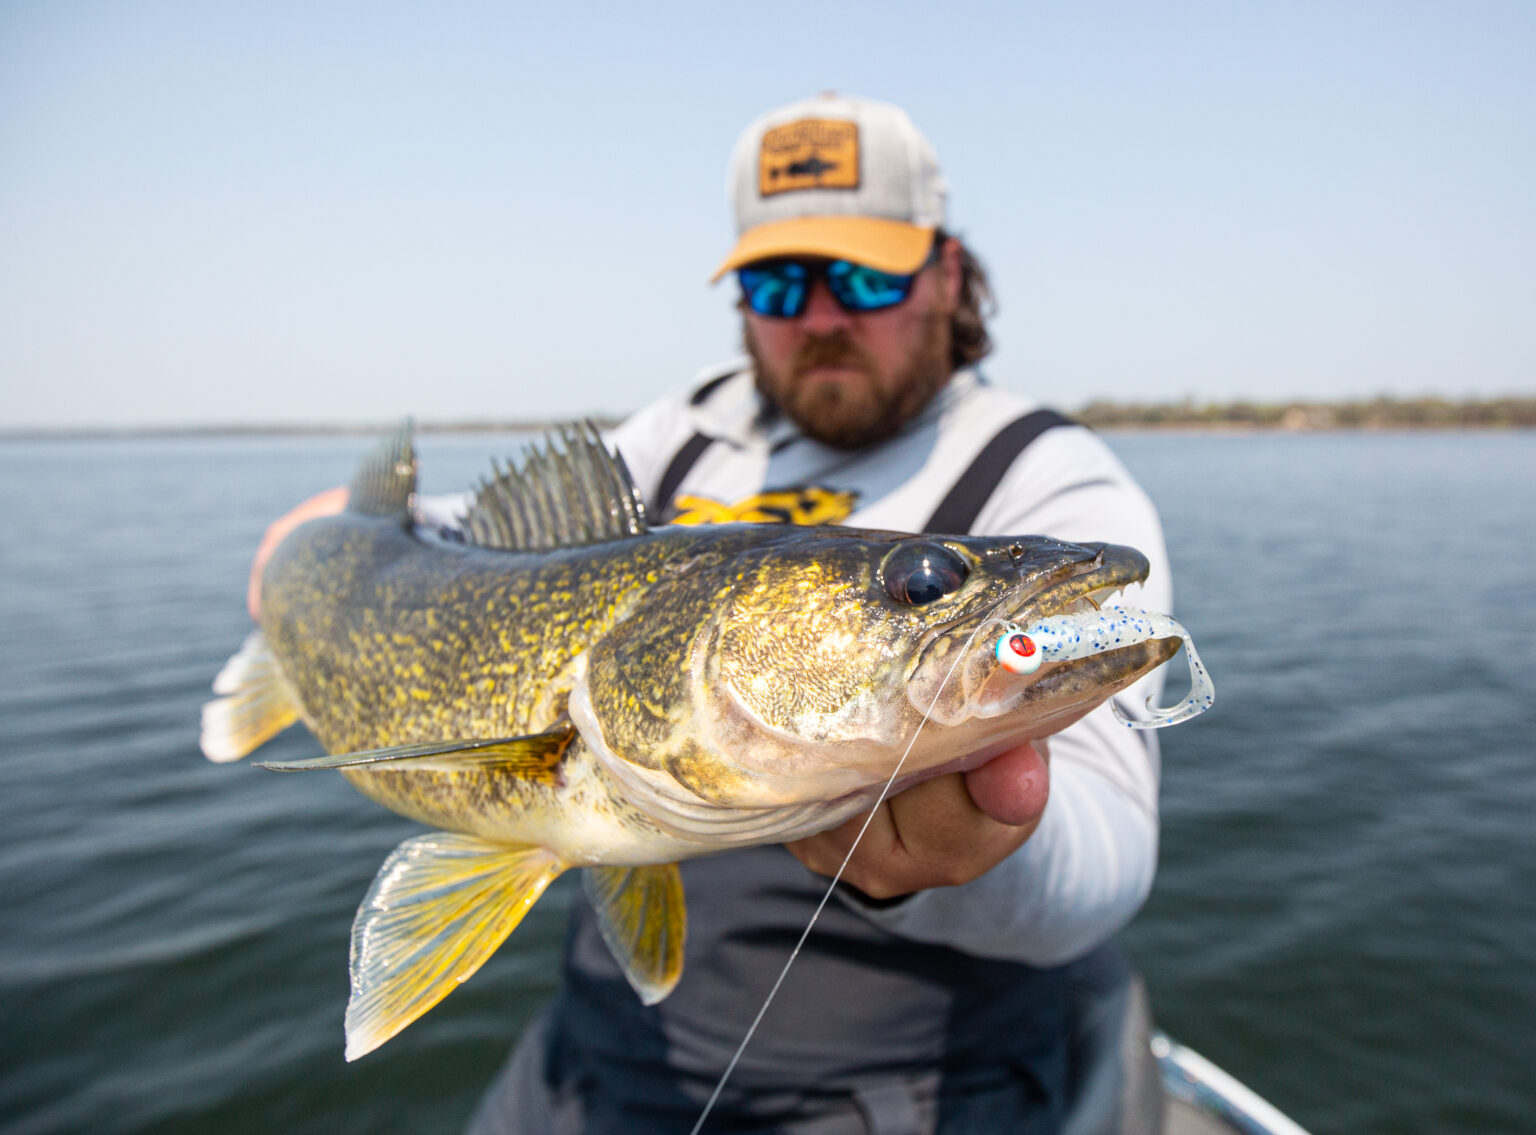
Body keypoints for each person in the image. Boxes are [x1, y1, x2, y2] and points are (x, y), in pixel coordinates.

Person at [251, 93, 1172, 1135]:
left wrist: (983, 851)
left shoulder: (1044, 479)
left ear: (947, 276)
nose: (821, 317)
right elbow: (470, 535)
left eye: (864, 277)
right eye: (779, 283)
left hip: (899, 1088)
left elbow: (1111, 857)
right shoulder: (689, 432)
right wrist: (317, 536)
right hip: (594, 1056)